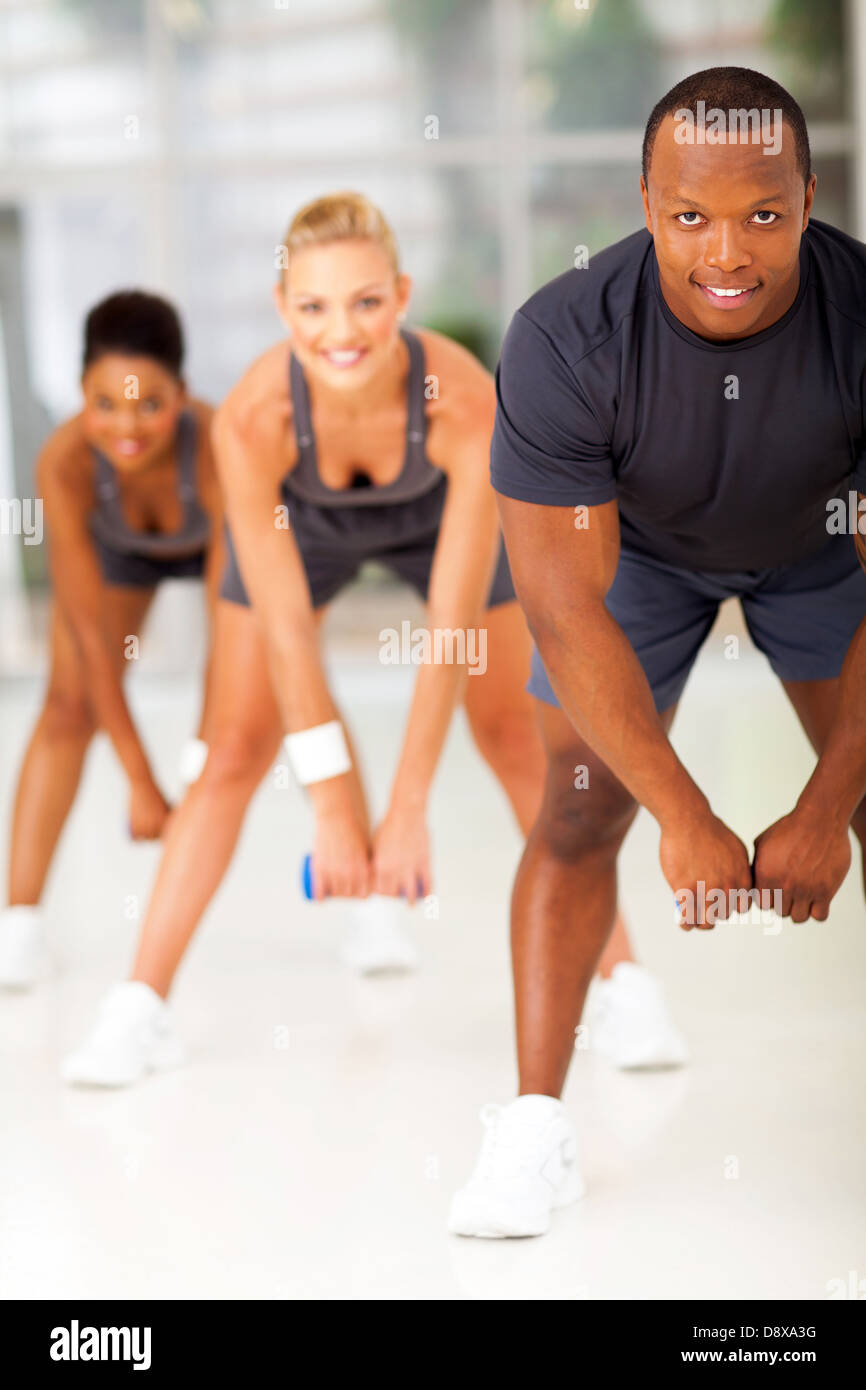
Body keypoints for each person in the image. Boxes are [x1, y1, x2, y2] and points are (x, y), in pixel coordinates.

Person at [60, 192, 683, 1087]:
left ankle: (623, 984)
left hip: (439, 530)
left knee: (515, 735)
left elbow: (451, 623)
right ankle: (140, 1007)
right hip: (303, 529)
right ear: (283, 310)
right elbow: (286, 635)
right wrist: (330, 804)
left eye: (363, 302)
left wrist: (407, 809)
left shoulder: (463, 399)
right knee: (233, 747)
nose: (339, 331)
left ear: (400, 295)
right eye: (312, 307)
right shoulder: (253, 421)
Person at [449, 67, 866, 1239]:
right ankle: (533, 1125)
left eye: (762, 216)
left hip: (824, 553)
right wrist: (681, 811)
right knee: (579, 809)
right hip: (636, 563)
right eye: (689, 216)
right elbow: (561, 607)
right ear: (643, 202)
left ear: (807, 197)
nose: (724, 252)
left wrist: (829, 796)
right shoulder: (563, 338)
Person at [0, 291, 223, 989]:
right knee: (68, 705)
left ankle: (374, 902)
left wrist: (196, 771)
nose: (126, 427)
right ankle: (20, 928)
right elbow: (94, 643)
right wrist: (140, 781)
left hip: (216, 546)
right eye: (105, 404)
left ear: (181, 395)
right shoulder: (66, 463)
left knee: (273, 694)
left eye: (149, 405)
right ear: (80, 395)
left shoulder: (219, 444)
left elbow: (234, 639)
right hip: (120, 557)